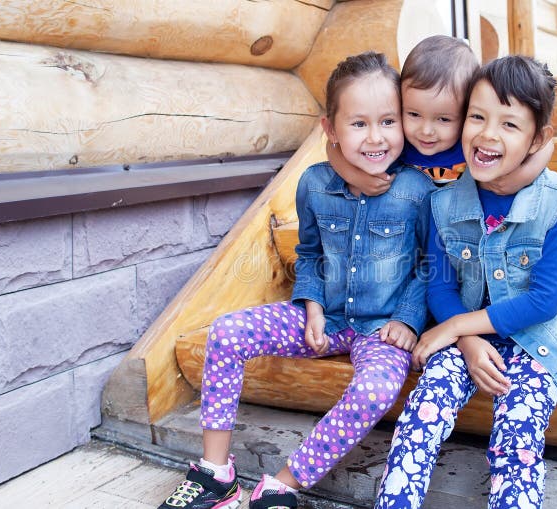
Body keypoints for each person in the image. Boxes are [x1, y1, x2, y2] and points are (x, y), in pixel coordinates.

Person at [158, 51, 435, 509]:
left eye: (388, 121)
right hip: (323, 318)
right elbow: (307, 253)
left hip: (382, 330)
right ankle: (216, 476)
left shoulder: (417, 191)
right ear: (330, 130)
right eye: (358, 124)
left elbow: (431, 263)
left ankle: (282, 484)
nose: (375, 137)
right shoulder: (313, 184)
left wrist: (408, 318)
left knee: (376, 389)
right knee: (226, 333)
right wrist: (312, 305)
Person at [374, 55, 557, 509]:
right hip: (469, 335)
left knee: (517, 428)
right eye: (477, 117)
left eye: (510, 125)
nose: (488, 134)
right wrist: (468, 342)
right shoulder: (445, 204)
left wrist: (455, 328)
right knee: (424, 408)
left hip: (540, 341)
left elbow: (544, 302)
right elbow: (440, 287)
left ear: (539, 139)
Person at [328, 35, 553, 196]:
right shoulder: (398, 142)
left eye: (444, 119)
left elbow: (545, 144)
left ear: (466, 114)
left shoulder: (472, 147)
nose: (426, 131)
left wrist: (522, 177)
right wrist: (355, 177)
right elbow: (332, 144)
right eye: (414, 114)